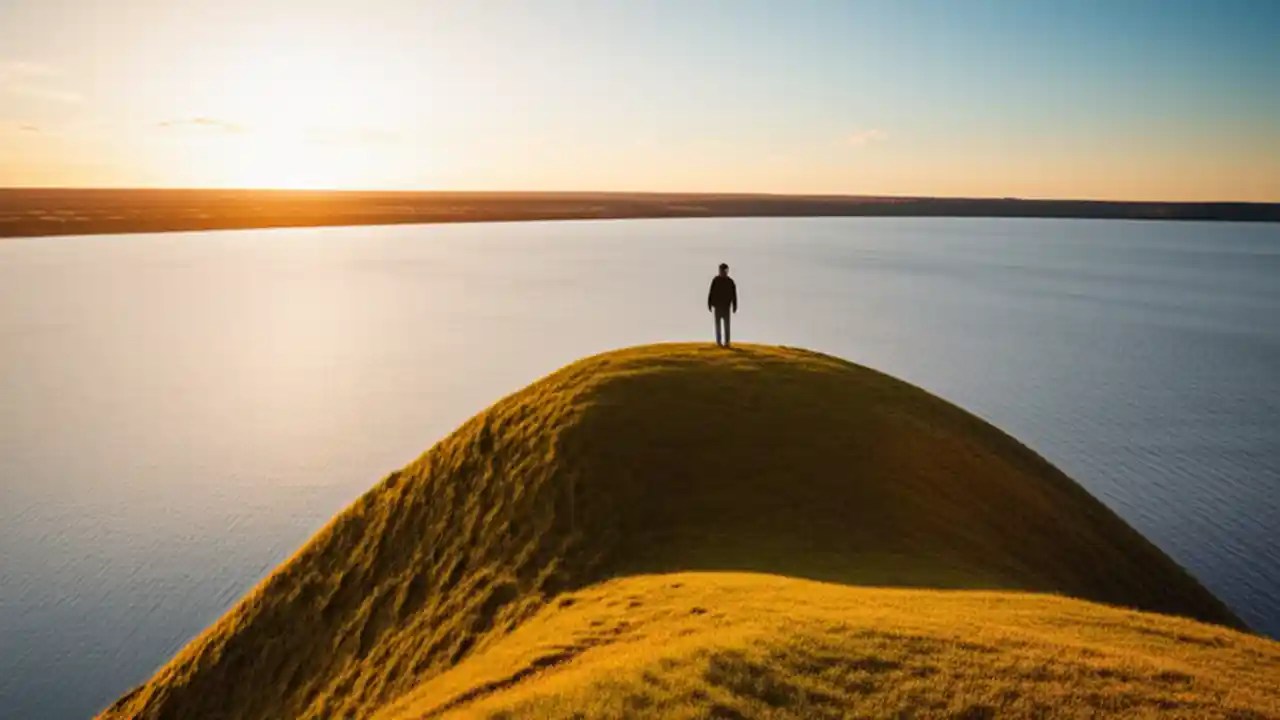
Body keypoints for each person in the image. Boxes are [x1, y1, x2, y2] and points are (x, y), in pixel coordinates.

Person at [707, 262, 738, 347]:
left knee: (727, 325)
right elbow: (711, 292)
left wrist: (734, 306)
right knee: (718, 325)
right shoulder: (716, 280)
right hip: (717, 306)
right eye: (721, 270)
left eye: (725, 270)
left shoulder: (730, 282)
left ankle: (727, 342)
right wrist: (709, 303)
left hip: (726, 307)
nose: (723, 272)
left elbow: (734, 295)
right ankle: (719, 341)